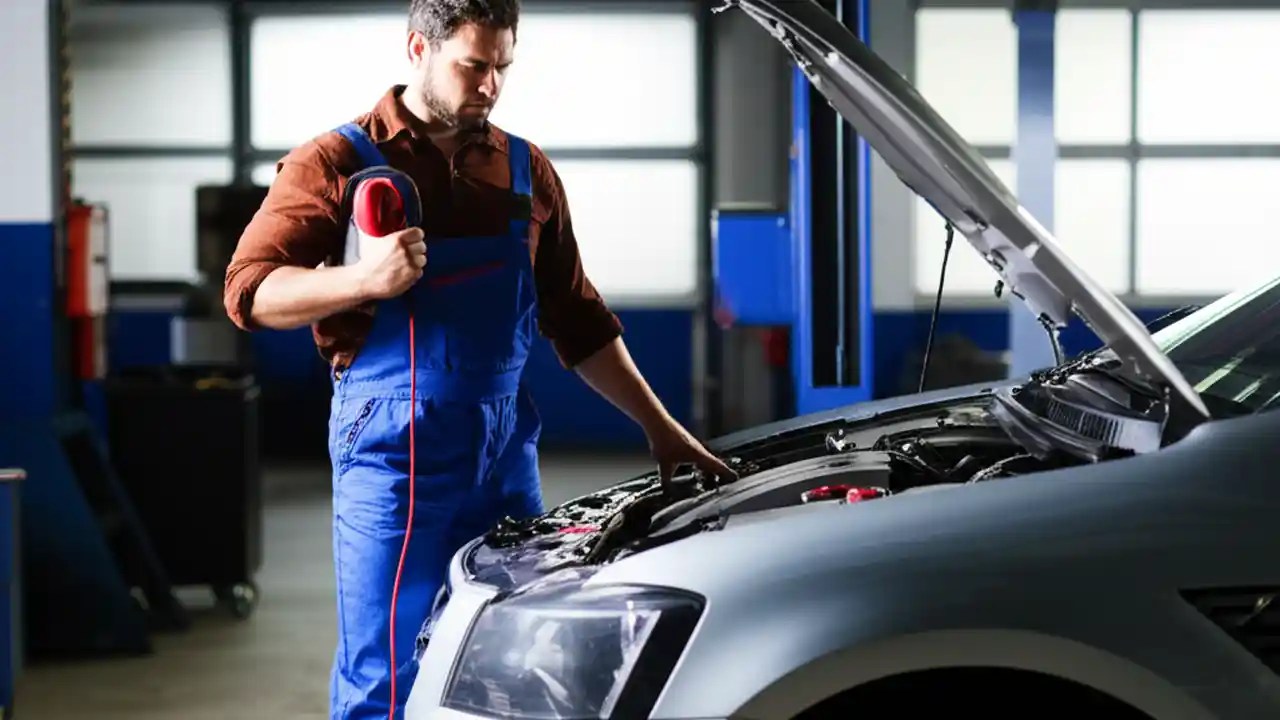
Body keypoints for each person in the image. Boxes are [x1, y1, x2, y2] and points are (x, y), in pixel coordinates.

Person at [221, 0, 736, 718]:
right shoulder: (335, 160)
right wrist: (363, 281)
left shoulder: (525, 170)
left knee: (514, 652)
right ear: (417, 48)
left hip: (504, 450)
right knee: (388, 671)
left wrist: (660, 428)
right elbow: (249, 291)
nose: (490, 85)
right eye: (474, 65)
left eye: (503, 67)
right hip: (391, 447)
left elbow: (578, 319)